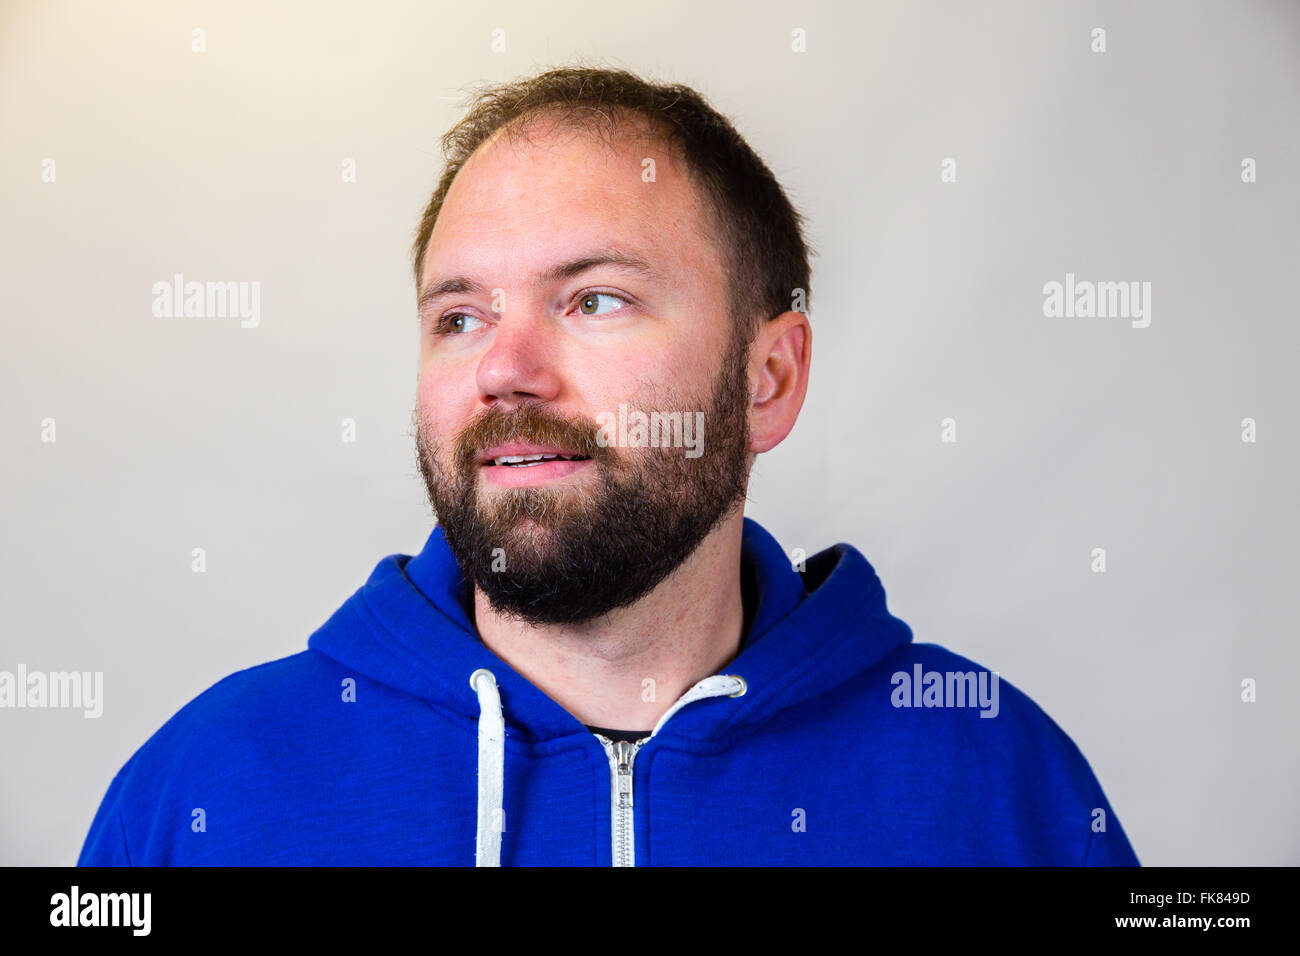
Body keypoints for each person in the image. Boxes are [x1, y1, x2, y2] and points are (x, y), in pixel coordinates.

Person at [79, 65, 1139, 866]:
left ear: (768, 378)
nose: (504, 367)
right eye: (460, 315)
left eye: (593, 299)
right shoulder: (206, 789)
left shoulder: (1000, 784)